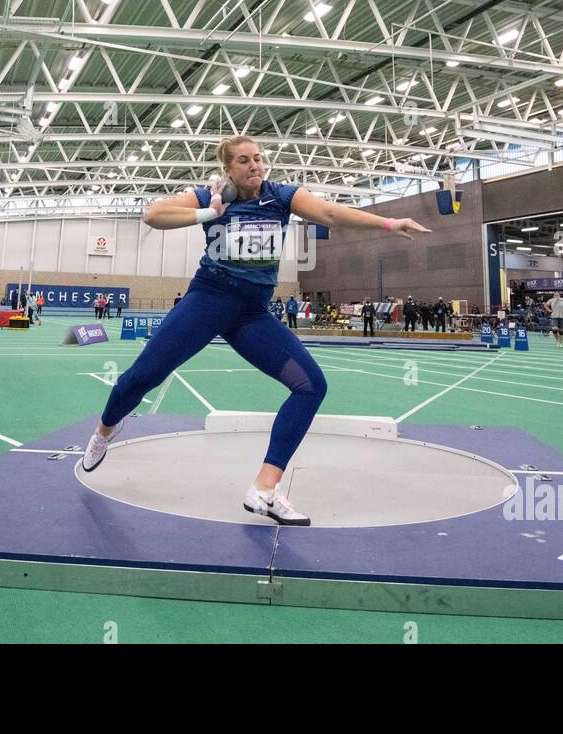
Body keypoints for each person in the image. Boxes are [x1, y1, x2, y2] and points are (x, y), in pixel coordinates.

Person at [81, 135, 430, 525]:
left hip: (252, 315)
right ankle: (103, 433)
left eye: (259, 158)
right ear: (228, 169)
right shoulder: (211, 196)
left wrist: (388, 222)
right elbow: (154, 215)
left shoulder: (281, 196)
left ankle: (264, 489)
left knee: (311, 385)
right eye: (244, 160)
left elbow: (329, 213)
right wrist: (208, 214)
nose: (254, 166)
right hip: (208, 302)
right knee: (142, 377)